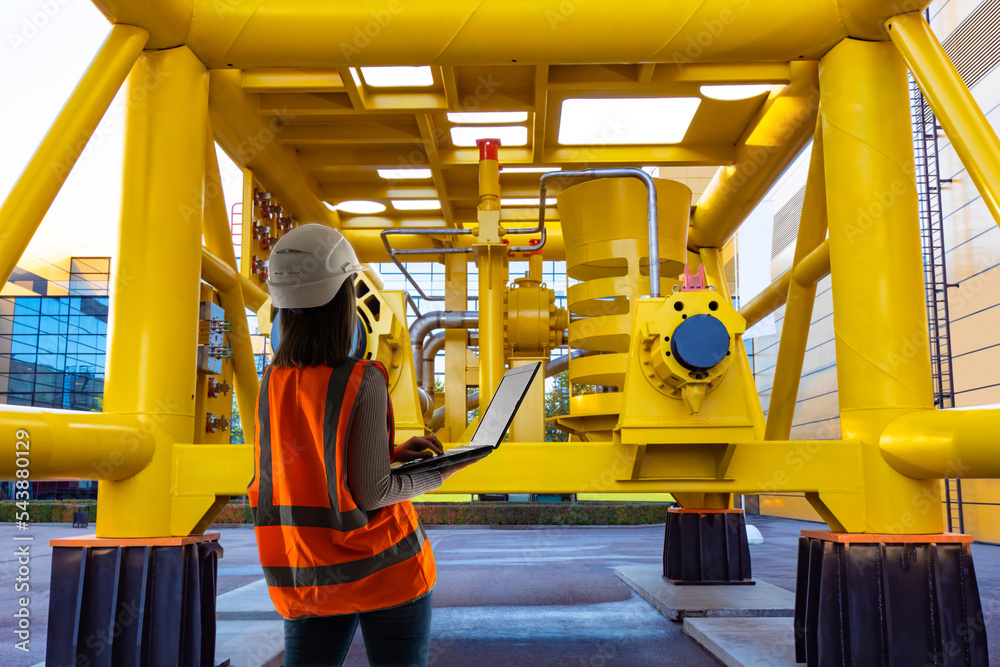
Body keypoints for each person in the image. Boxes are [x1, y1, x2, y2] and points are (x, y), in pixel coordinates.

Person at [248, 224, 476, 667]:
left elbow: (310, 466)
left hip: (306, 574)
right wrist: (445, 469)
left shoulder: (270, 385)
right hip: (386, 571)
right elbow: (374, 493)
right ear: (345, 301)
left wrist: (388, 453)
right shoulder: (362, 379)